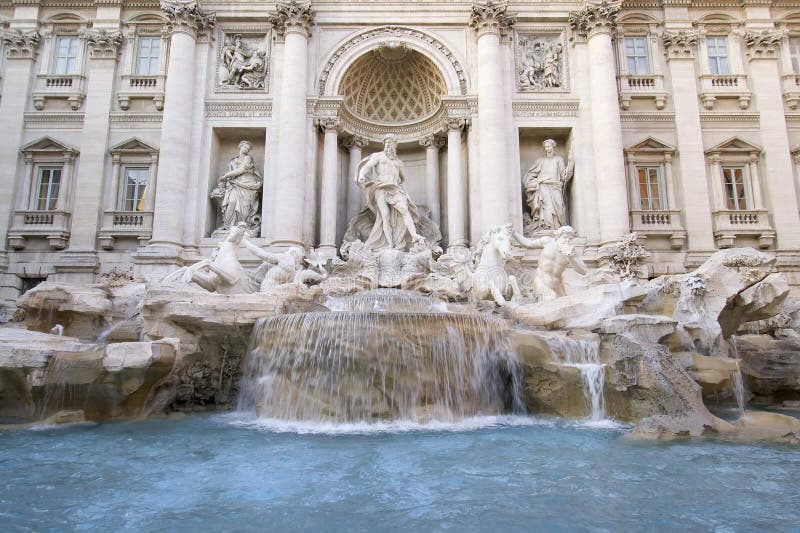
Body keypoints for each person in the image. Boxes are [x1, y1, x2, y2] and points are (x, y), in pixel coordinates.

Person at [357, 134, 425, 251]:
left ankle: (414, 235)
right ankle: (389, 244)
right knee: (385, 216)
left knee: (404, 210)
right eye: (386, 142)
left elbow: (403, 178)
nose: (388, 144)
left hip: (394, 189)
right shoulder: (378, 156)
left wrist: (402, 188)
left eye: (391, 142)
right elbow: (367, 167)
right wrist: (361, 175)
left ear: (395, 145)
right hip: (381, 188)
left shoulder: (398, 162)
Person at [513, 225, 587, 301]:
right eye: (565, 237)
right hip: (541, 279)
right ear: (558, 236)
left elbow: (583, 271)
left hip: (558, 285)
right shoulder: (547, 241)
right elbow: (528, 243)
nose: (567, 240)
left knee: (567, 305)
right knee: (550, 300)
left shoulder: (572, 251)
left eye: (570, 239)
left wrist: (571, 258)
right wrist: (514, 233)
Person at [522, 139, 574, 232]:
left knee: (559, 207)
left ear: (553, 146)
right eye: (546, 147)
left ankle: (558, 227)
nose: (547, 149)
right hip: (543, 186)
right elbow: (530, 174)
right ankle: (546, 227)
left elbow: (564, 176)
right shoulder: (540, 160)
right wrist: (533, 182)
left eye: (549, 146)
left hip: (556, 186)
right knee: (546, 206)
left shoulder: (558, 159)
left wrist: (570, 162)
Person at [212, 140, 263, 232]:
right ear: (240, 146)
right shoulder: (233, 160)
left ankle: (242, 226)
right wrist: (226, 180)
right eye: (244, 147)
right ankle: (227, 225)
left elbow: (241, 170)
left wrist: (225, 176)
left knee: (244, 206)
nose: (246, 149)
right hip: (235, 184)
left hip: (247, 183)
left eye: (248, 149)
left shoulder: (248, 158)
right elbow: (232, 171)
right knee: (231, 202)